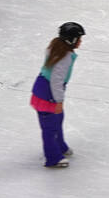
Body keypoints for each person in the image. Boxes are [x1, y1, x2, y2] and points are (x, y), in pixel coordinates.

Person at [29, 22, 84, 168]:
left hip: (46, 89)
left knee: (57, 119)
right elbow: (56, 80)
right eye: (78, 38)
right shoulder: (64, 57)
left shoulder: (57, 47)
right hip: (48, 94)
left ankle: (60, 146)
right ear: (70, 40)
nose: (81, 41)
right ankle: (53, 157)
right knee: (50, 126)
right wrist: (59, 100)